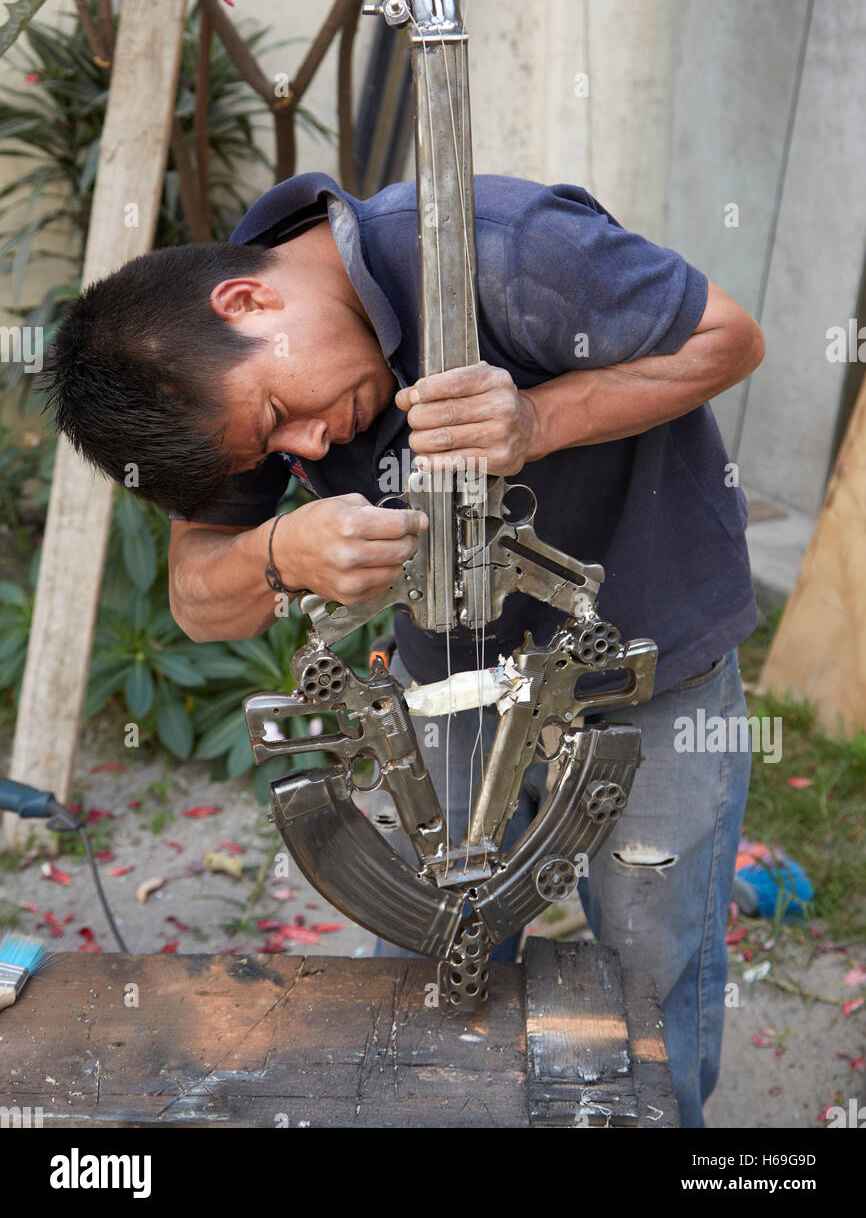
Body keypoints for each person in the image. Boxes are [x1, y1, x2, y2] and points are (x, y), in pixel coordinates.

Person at [45, 170, 765, 1127]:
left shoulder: (505, 245)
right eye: (273, 451)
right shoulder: (208, 378)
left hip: (647, 657)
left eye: (276, 420)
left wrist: (541, 418)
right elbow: (196, 594)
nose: (306, 443)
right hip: (451, 682)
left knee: (650, 976)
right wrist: (277, 549)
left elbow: (728, 337)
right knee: (427, 964)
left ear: (249, 301)